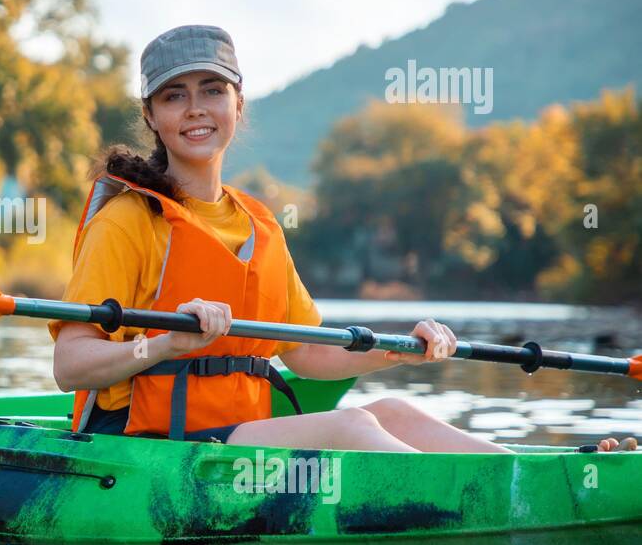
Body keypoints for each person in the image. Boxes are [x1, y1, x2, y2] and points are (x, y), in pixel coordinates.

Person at [52, 25, 636, 452]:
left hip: (232, 438)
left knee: (394, 412)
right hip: (149, 443)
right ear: (151, 115)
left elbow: (305, 351)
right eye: (174, 95)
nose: (195, 109)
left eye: (211, 90)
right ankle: (499, 513)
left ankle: (534, 476)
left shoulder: (259, 226)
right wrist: (159, 346)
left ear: (238, 104)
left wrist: (398, 347)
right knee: (351, 428)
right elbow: (70, 365)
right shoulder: (129, 220)